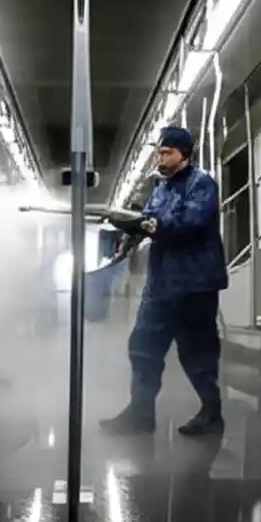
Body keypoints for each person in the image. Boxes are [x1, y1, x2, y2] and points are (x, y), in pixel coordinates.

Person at [100, 125, 228, 437]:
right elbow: (148, 222)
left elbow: (189, 223)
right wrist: (127, 235)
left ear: (184, 155)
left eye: (167, 152)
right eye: (159, 151)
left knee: (196, 352)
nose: (161, 156)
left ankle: (211, 412)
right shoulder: (161, 188)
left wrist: (145, 223)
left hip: (195, 284)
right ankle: (140, 414)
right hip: (162, 285)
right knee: (142, 346)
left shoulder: (202, 184)